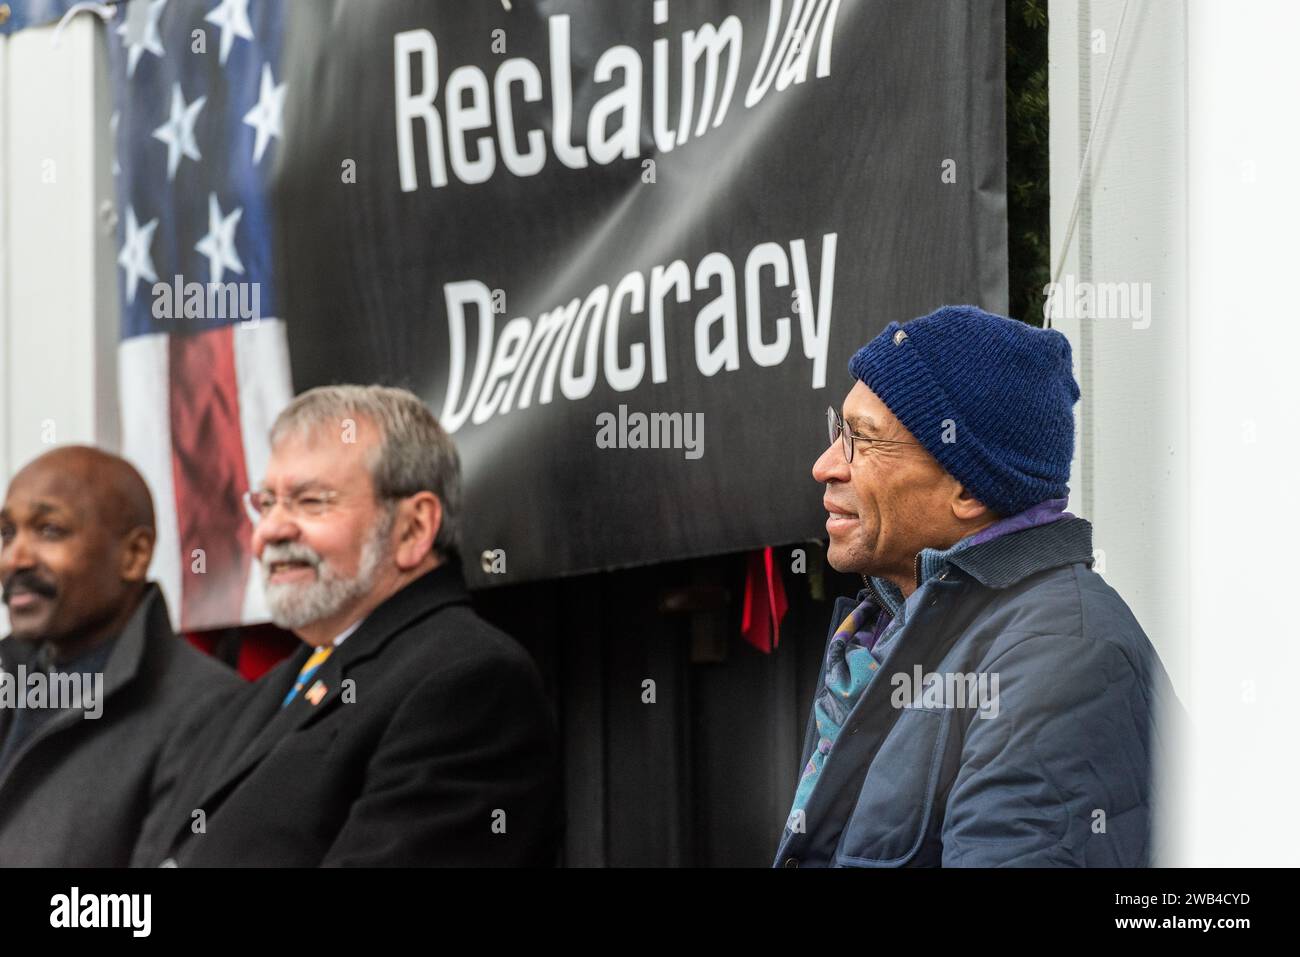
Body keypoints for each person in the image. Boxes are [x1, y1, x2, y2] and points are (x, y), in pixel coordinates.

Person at [775, 305, 1178, 867]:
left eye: (863, 441)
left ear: (969, 490)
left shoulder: (1058, 658)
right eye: (838, 430)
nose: (825, 466)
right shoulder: (897, 629)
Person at [135, 385, 560, 866]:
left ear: (414, 528)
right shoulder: (264, 693)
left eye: (311, 501)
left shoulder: (468, 682)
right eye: (267, 503)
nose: (271, 530)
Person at [0, 446, 241, 866]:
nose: (14, 559)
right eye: (6, 534)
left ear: (133, 555)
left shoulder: (209, 710)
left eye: (49, 530)